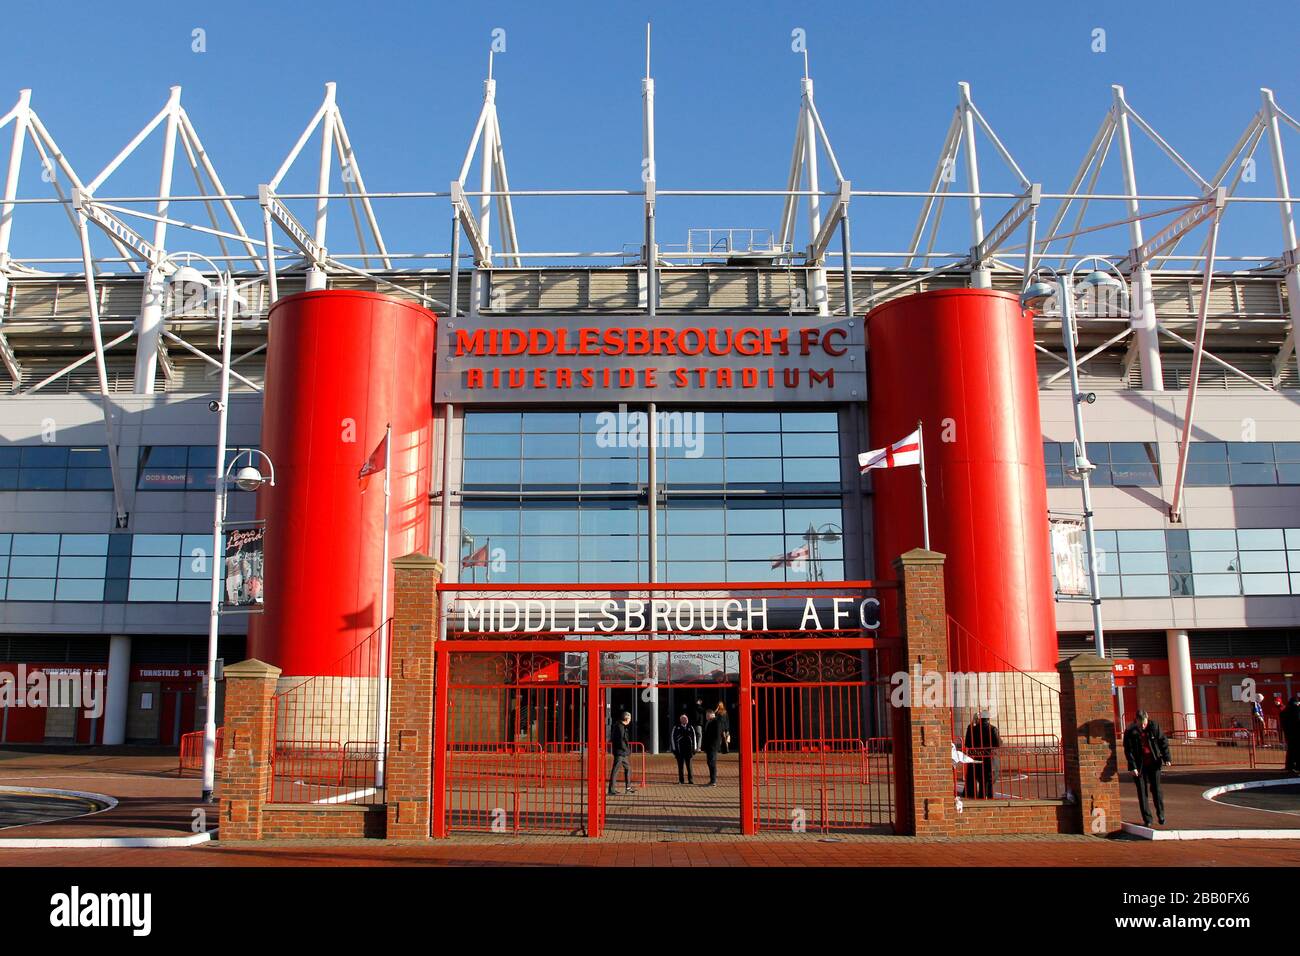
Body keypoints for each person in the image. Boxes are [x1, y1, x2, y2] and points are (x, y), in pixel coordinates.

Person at [1123, 710, 1172, 826]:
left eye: (1145, 723)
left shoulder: (1154, 726)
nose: (1143, 726)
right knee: (1142, 791)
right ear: (1137, 721)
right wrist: (1132, 766)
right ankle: (1147, 819)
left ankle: (1161, 814)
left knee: (1156, 790)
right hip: (1139, 766)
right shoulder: (1130, 731)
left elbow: (1163, 741)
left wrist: (1167, 758)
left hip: (1153, 763)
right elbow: (1128, 750)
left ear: (1147, 719)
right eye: (1141, 724)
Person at [962, 711, 1001, 798]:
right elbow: (998, 743)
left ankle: (977, 796)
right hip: (988, 757)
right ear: (988, 718)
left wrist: (973, 723)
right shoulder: (992, 729)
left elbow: (967, 743)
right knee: (988, 780)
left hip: (976, 756)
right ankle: (988, 797)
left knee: (978, 777)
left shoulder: (972, 729)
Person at [607, 711, 635, 796]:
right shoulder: (620, 727)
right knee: (615, 770)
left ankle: (628, 787)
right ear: (626, 718)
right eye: (629, 718)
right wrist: (627, 750)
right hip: (620, 753)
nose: (630, 720)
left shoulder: (621, 726)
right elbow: (621, 741)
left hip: (622, 752)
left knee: (628, 769)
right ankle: (611, 790)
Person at [670, 713, 698, 784]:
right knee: (680, 766)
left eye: (686, 719)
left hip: (689, 751)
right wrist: (674, 750)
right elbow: (672, 738)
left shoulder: (691, 727)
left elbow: (694, 738)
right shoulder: (676, 727)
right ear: (680, 720)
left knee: (689, 766)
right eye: (683, 719)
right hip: (679, 751)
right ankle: (681, 780)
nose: (685, 720)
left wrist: (694, 749)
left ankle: (690, 780)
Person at [700, 708, 723, 786]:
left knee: (712, 763)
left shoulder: (716, 722)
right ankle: (712, 780)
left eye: (707, 715)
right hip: (709, 747)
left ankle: (713, 781)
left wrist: (713, 746)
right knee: (710, 763)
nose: (706, 716)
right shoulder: (709, 722)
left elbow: (717, 736)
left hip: (712, 747)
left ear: (710, 714)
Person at [1280, 694, 1300, 775]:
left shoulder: (1284, 711)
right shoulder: (1297, 710)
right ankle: (1297, 767)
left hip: (1289, 734)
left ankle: (1289, 766)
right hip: (1297, 734)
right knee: (1298, 750)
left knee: (1291, 750)